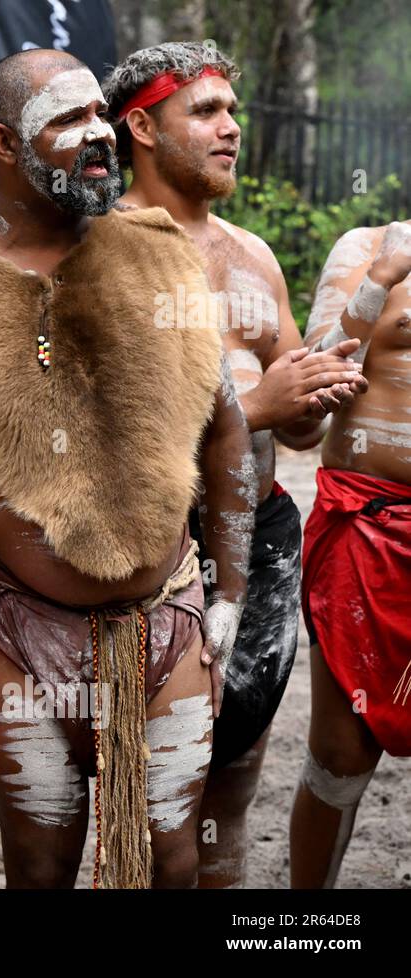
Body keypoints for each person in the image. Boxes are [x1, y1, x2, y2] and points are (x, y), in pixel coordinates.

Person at [0, 49, 256, 888]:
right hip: (14, 624)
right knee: (41, 854)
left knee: (170, 855)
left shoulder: (160, 255)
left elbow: (225, 435)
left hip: (167, 617)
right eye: (66, 121)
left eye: (97, 116)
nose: (97, 137)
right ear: (4, 142)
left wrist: (227, 598)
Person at [103, 40, 368, 887]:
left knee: (232, 783)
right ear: (140, 126)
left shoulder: (252, 254)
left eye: (234, 112)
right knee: (144, 795)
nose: (231, 129)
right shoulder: (94, 252)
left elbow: (293, 433)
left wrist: (318, 389)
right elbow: (91, 435)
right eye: (206, 112)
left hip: (259, 543)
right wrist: (253, 407)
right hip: (145, 550)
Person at [291, 217, 411, 887]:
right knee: (339, 757)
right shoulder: (370, 249)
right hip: (366, 531)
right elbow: (304, 404)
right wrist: (380, 286)